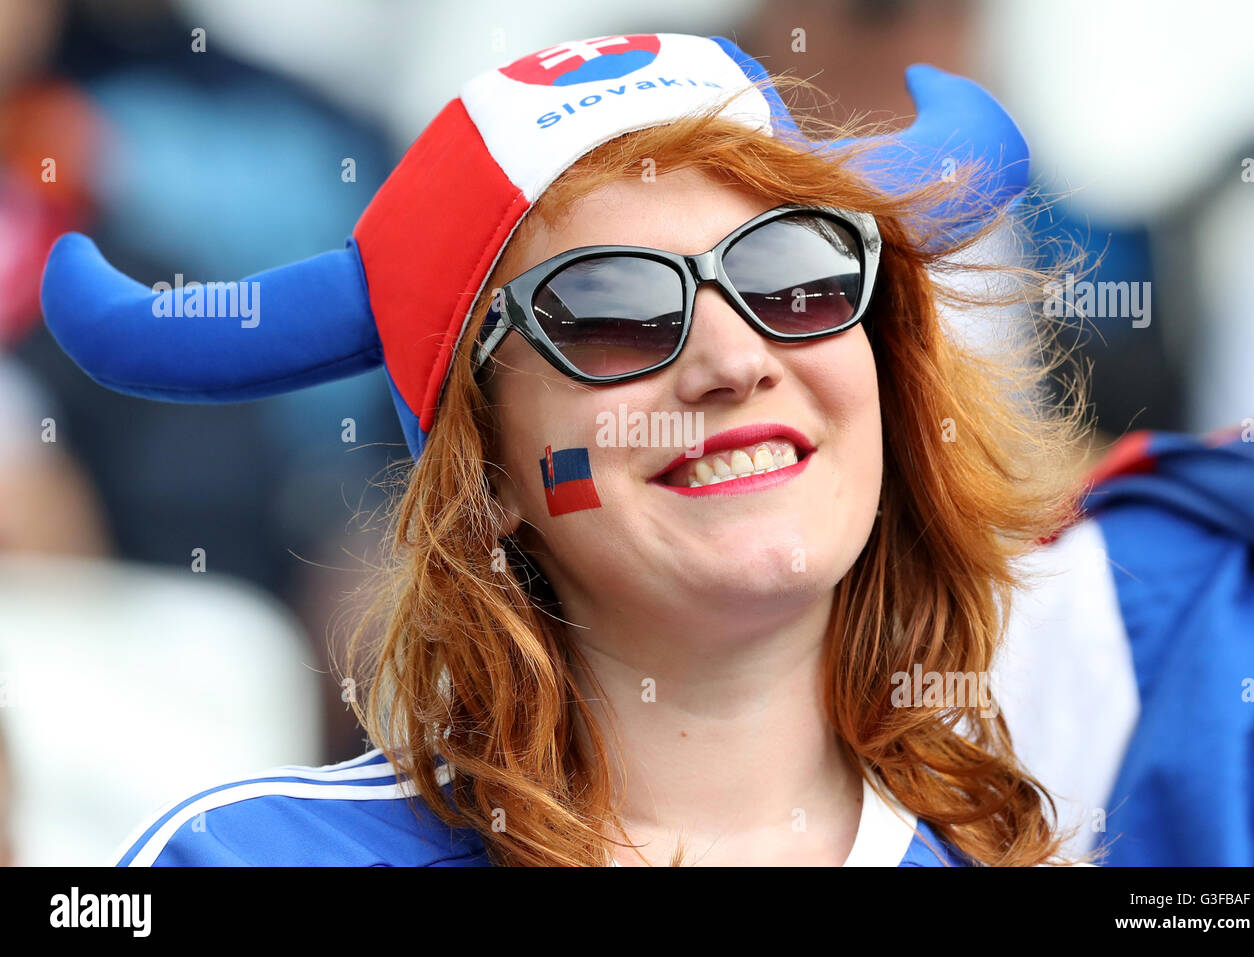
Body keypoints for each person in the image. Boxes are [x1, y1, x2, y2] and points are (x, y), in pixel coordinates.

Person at [50, 32, 1095, 867]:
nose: (734, 359)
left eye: (792, 278)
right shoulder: (237, 860)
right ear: (491, 474)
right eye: (609, 309)